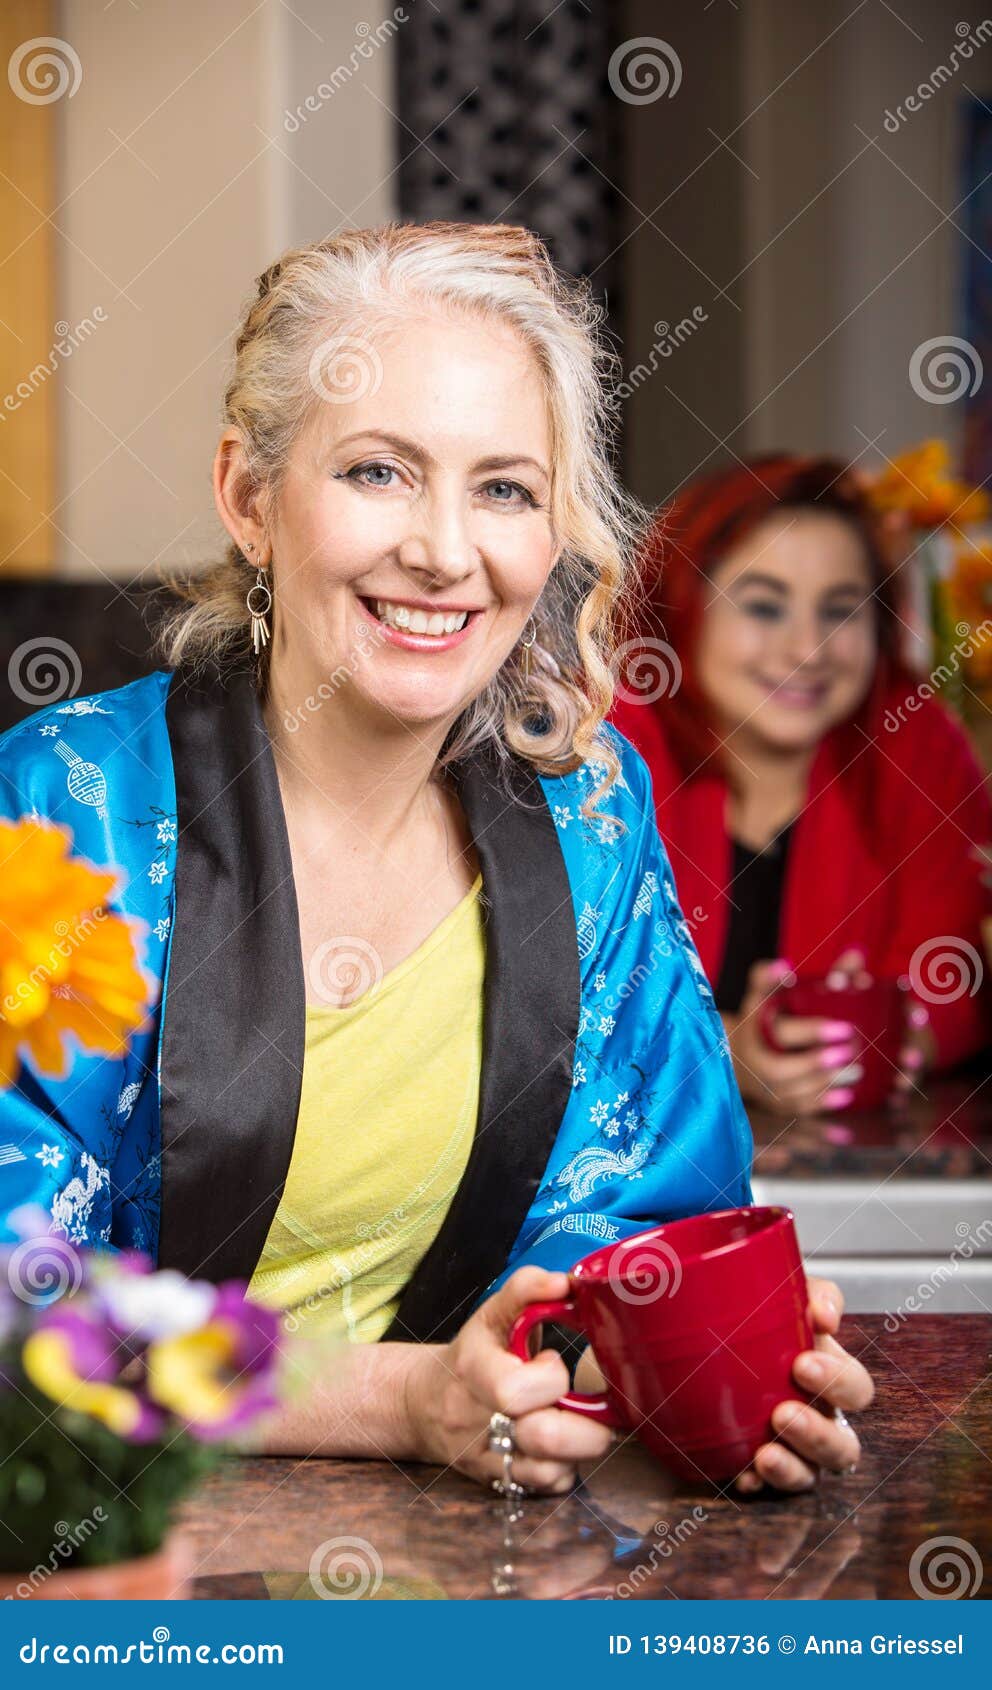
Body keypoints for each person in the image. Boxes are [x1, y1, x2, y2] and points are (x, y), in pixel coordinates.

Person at [0, 226, 871, 1495]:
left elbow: (648, 1218)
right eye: (378, 472)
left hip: (465, 1576)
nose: (446, 552)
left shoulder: (591, 815)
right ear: (249, 498)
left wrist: (714, 1366)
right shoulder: (61, 811)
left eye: (504, 489)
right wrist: (400, 1399)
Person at [609, 455, 992, 1119]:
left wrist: (905, 1042)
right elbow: (569, 1003)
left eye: (841, 611)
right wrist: (724, 1052)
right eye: (764, 605)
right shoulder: (609, 742)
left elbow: (959, 967)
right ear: (683, 607)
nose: (808, 649)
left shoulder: (914, 739)